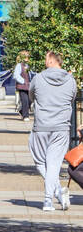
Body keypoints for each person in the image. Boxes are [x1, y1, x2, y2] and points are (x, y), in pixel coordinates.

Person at [29, 51, 77, 212]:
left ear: (51, 60)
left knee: (40, 161)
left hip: (41, 126)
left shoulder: (39, 78)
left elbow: (31, 96)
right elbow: (72, 98)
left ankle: (48, 200)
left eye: (45, 59)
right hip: (61, 127)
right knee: (54, 164)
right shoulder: (70, 81)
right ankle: (55, 191)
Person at [13, 51, 32, 121]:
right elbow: (16, 75)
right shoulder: (19, 65)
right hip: (22, 86)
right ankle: (25, 116)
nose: (28, 58)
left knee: (30, 100)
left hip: (29, 86)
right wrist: (23, 81)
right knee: (25, 101)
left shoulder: (29, 66)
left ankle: (21, 111)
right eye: (26, 56)